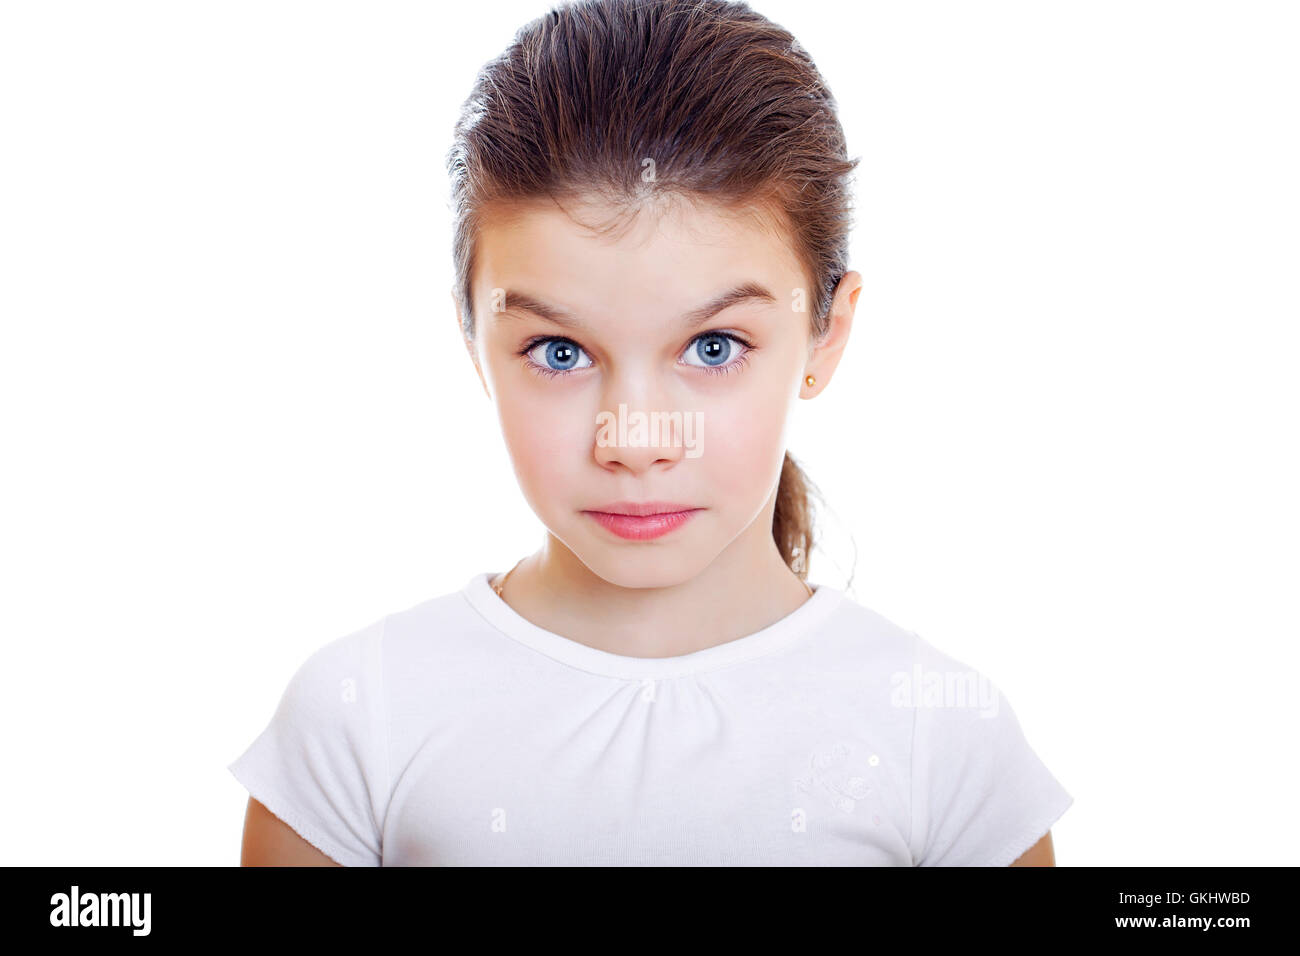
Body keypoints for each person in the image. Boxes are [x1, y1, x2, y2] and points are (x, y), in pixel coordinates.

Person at [229, 0, 1072, 866]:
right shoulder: (357, 721)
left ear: (826, 333)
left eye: (713, 347)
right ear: (475, 344)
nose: (633, 438)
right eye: (559, 351)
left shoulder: (944, 746)